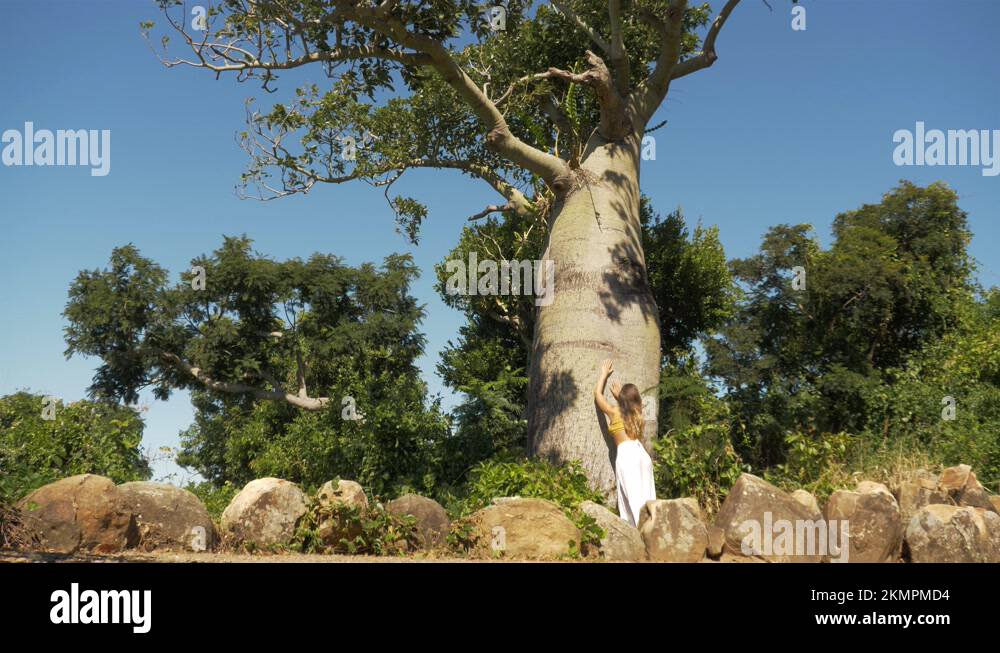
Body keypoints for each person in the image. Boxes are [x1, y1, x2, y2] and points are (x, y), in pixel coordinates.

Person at [594, 358, 656, 527]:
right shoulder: (638, 414)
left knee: (633, 499)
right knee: (648, 498)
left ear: (621, 399)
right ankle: (652, 531)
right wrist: (620, 397)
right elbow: (628, 406)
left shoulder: (614, 413)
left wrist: (603, 375)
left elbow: (598, 396)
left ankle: (638, 536)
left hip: (627, 455)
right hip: (642, 455)